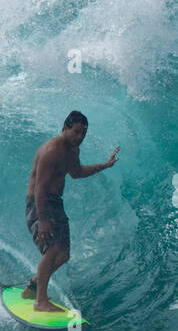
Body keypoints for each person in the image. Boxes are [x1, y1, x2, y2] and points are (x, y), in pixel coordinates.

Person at [23, 110, 119, 312]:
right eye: (76, 132)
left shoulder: (72, 150)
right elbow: (40, 188)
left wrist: (105, 165)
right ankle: (41, 302)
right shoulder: (52, 151)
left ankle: (33, 286)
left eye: (83, 133)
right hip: (40, 203)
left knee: (63, 255)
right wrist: (43, 220)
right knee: (52, 250)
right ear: (65, 127)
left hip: (56, 202)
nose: (80, 137)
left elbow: (76, 173)